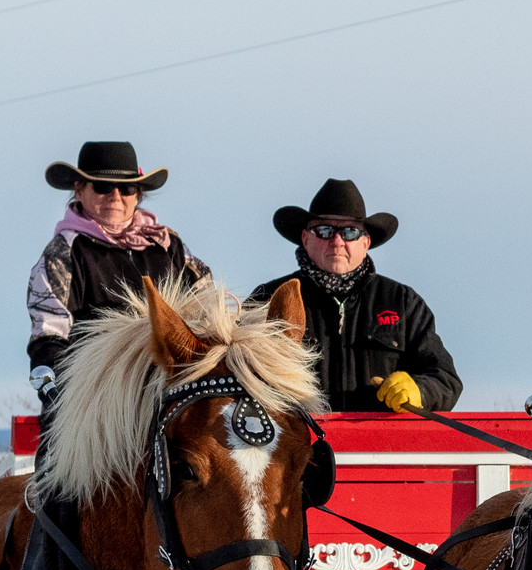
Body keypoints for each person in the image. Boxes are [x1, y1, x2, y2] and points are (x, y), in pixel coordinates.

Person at [248, 179, 461, 413]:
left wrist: (420, 390)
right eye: (325, 231)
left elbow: (446, 380)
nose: (337, 242)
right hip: (297, 444)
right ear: (305, 238)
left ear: (366, 242)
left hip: (382, 446)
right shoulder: (268, 300)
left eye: (350, 232)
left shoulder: (402, 302)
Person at [26, 142, 211, 388]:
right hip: (96, 388)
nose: (115, 196)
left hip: (170, 383)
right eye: (102, 186)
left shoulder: (168, 244)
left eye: (126, 188)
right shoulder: (64, 252)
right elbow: (50, 335)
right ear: (79, 190)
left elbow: (208, 307)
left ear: (138, 195)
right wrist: (56, 389)